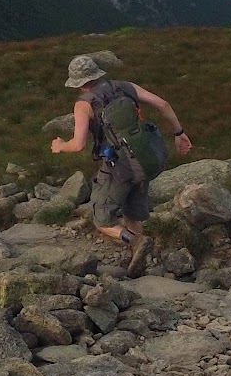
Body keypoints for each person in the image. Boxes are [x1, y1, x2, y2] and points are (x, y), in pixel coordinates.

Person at [50, 54, 193, 276]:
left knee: (101, 219)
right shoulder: (125, 87)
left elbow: (78, 144)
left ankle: (135, 242)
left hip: (118, 167)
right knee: (133, 214)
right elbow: (162, 104)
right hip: (144, 158)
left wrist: (60, 145)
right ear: (97, 73)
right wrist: (179, 133)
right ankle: (140, 260)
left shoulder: (84, 104)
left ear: (78, 83)